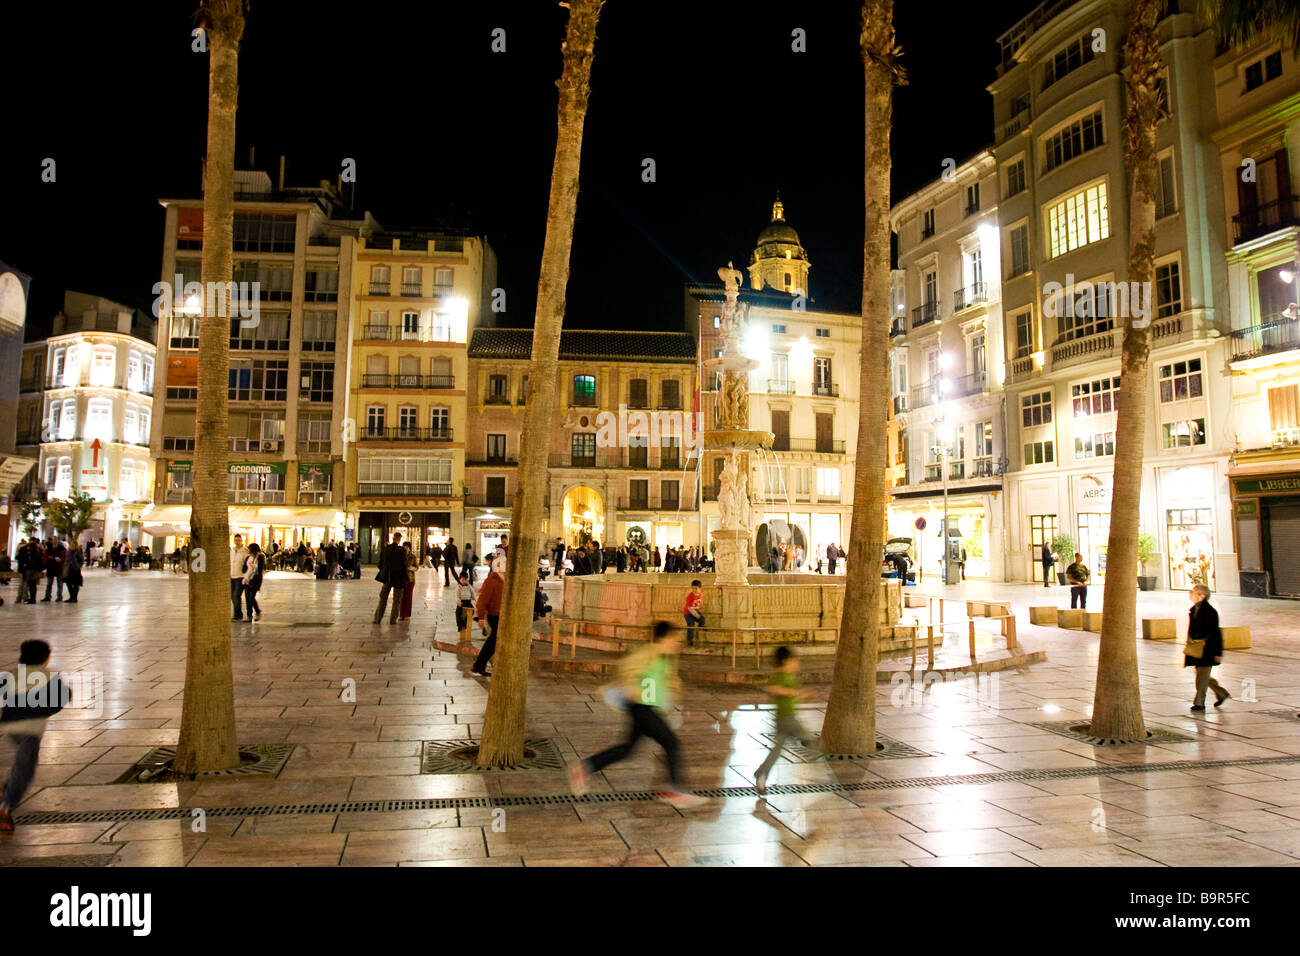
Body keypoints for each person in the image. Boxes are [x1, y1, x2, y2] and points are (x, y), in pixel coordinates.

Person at [566, 621, 705, 809]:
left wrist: (672, 690)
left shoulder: (665, 658)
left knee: (626, 750)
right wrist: (631, 686)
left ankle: (584, 767)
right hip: (641, 707)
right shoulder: (648, 653)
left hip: (648, 709)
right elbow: (628, 667)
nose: (676, 643)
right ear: (663, 638)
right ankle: (674, 788)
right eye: (674, 639)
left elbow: (663, 682)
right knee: (672, 743)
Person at [0, 639, 72, 832]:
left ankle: (7, 790)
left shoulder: (12, 675)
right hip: (31, 728)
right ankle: (5, 806)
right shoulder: (50, 677)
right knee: (26, 768)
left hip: (10, 726)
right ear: (46, 658)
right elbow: (63, 697)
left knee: (22, 763)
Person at [754, 646, 817, 796]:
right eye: (795, 661)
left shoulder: (790, 676)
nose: (797, 664)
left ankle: (761, 774)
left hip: (783, 717)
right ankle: (825, 770)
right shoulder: (782, 675)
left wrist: (804, 695)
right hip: (787, 718)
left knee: (777, 750)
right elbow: (773, 688)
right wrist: (794, 692)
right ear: (786, 661)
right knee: (810, 740)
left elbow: (791, 695)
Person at [1186, 584, 1229, 711]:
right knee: (1202, 675)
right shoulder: (1195, 609)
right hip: (1197, 648)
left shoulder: (1210, 612)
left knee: (1201, 677)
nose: (1191, 594)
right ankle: (1221, 693)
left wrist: (1217, 653)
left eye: (1193, 592)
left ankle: (1199, 702)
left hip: (1207, 649)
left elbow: (1216, 633)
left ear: (1202, 596)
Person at [472, 555, 506, 677]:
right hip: (494, 614)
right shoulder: (492, 580)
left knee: (495, 640)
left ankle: (480, 665)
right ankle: (479, 664)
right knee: (493, 640)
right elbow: (482, 600)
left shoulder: (505, 579)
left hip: (502, 614)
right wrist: (480, 617)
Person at [373, 532, 408, 624]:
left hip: (387, 578)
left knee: (383, 598)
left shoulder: (386, 549)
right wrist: (405, 578)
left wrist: (384, 572)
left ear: (392, 538)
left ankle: (378, 619)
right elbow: (405, 565)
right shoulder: (401, 550)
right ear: (399, 539)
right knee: (396, 600)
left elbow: (380, 564)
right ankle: (393, 620)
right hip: (398, 579)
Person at [229, 534, 250, 621]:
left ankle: (237, 615)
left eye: (239, 540)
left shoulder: (245, 551)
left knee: (236, 595)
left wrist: (246, 575)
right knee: (232, 596)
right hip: (231, 575)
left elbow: (248, 564)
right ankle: (238, 613)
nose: (237, 542)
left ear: (242, 541)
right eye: (236, 540)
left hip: (240, 576)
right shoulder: (232, 550)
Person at [399, 541, 417, 622]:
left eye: (407, 547)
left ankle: (407, 615)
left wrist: (410, 568)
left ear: (409, 548)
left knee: (408, 597)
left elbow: (416, 567)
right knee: (401, 597)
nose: (406, 549)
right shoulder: (400, 556)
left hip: (410, 579)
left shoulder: (412, 557)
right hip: (401, 579)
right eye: (404, 547)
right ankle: (401, 614)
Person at [455, 571, 476, 640]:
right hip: (461, 602)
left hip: (468, 601)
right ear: (459, 579)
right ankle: (460, 625)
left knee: (472, 611)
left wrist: (474, 598)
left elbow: (472, 592)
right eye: (462, 580)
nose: (464, 581)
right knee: (458, 613)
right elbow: (456, 595)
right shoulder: (458, 587)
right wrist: (458, 601)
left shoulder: (469, 586)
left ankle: (465, 623)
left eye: (466, 580)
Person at [683, 579, 704, 646]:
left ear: (700, 588)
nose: (694, 590)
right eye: (693, 588)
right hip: (688, 613)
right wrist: (696, 615)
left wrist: (699, 608)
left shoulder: (700, 595)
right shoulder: (690, 597)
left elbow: (698, 603)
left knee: (702, 619)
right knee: (691, 625)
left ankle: (701, 627)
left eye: (696, 588)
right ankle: (690, 640)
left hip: (695, 611)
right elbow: (690, 608)